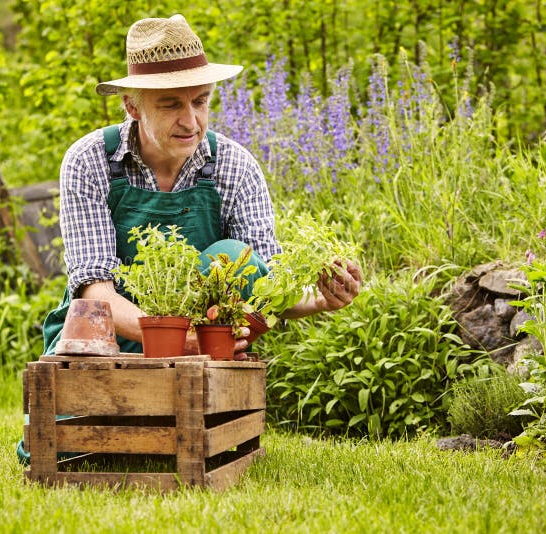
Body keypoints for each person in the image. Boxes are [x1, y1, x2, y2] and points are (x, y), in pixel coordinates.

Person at [42, 14, 363, 357]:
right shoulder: (91, 160)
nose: (190, 121)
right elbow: (96, 294)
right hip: (99, 344)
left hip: (197, 350)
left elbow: (265, 283)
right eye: (171, 105)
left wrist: (320, 298)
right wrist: (176, 338)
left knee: (240, 260)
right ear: (132, 105)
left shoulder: (234, 166)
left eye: (200, 101)